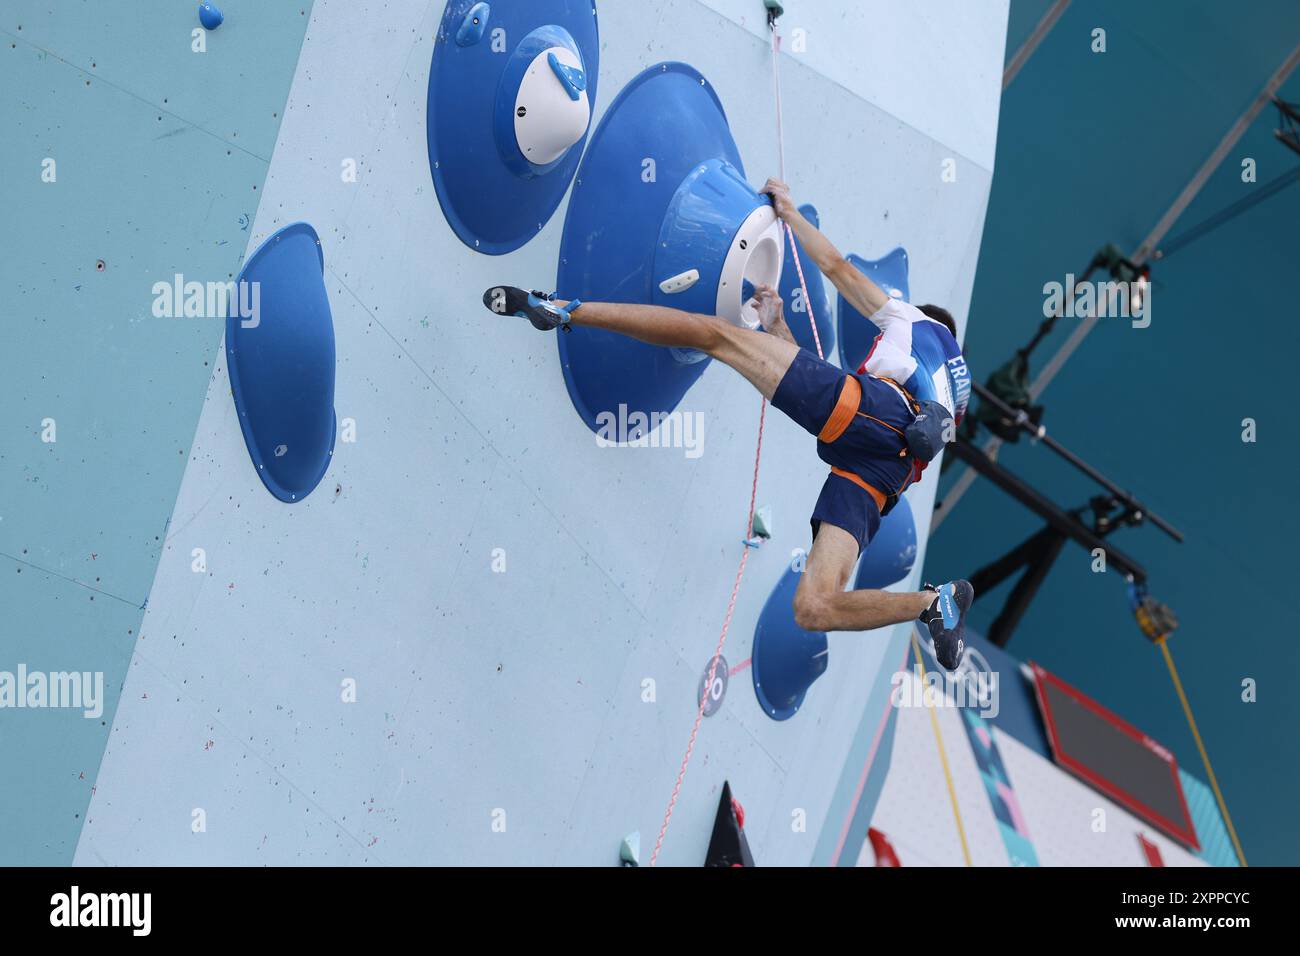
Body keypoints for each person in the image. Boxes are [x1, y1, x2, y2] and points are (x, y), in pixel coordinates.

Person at [480, 179, 973, 669]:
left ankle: (564, 309)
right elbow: (815, 388)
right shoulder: (957, 391)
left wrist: (791, 212)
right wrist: (778, 328)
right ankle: (933, 604)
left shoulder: (913, 321)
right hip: (882, 473)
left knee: (715, 335)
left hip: (877, 421)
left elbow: (837, 268)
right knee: (813, 607)